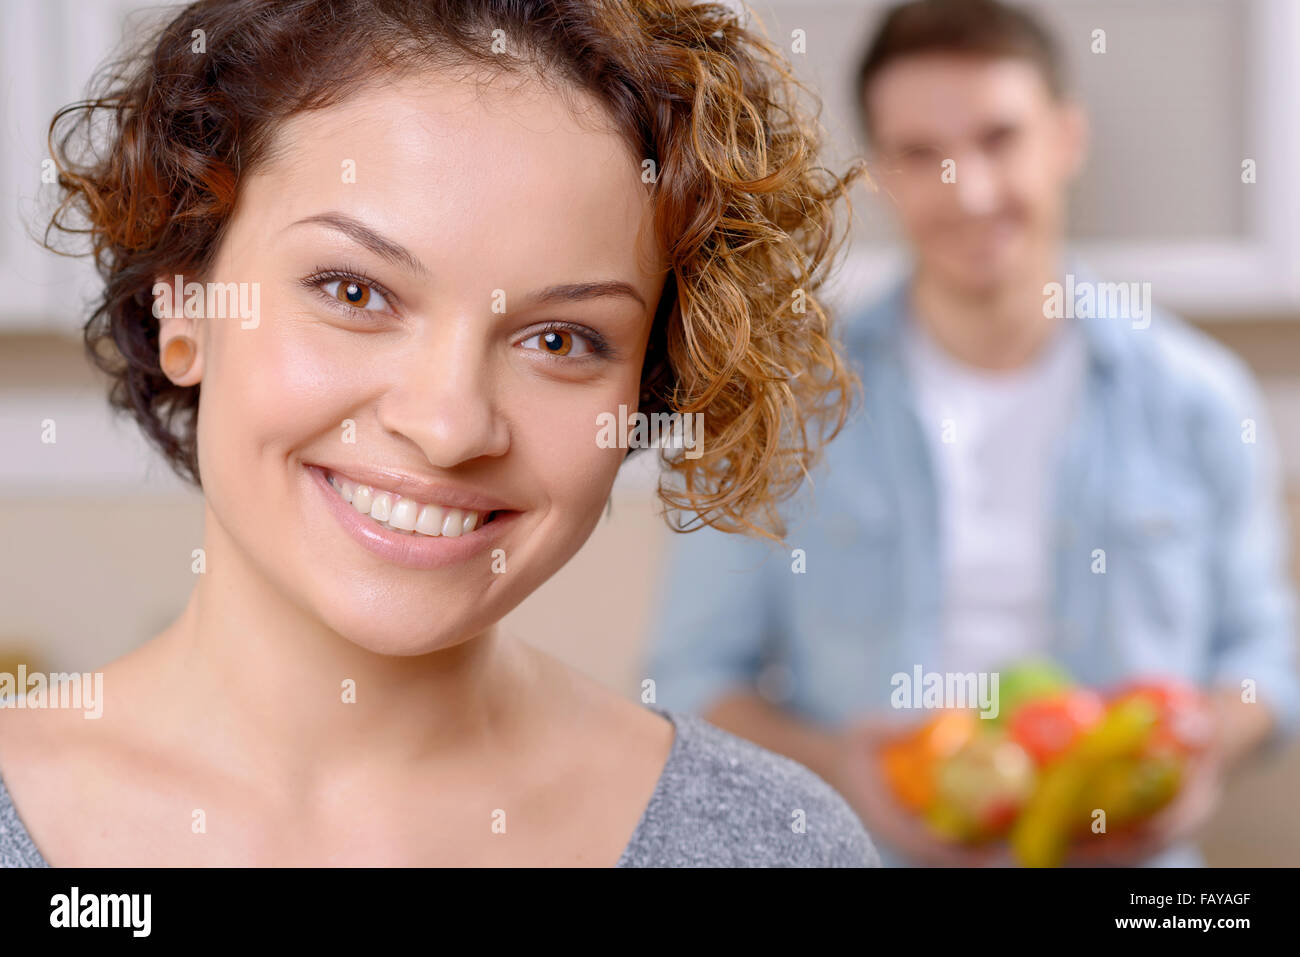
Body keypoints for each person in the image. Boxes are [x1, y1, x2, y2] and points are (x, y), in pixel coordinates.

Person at [0, 0, 881, 867]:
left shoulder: (774, 842)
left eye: (559, 340)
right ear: (185, 302)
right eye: (354, 291)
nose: (450, 426)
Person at [641, 0, 1300, 866]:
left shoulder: (1199, 397)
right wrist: (842, 769)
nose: (972, 192)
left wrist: (1196, 751)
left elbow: (1264, 659)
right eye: (922, 154)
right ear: (881, 173)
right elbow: (689, 681)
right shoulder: (789, 404)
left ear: (1066, 139)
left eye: (1000, 139)